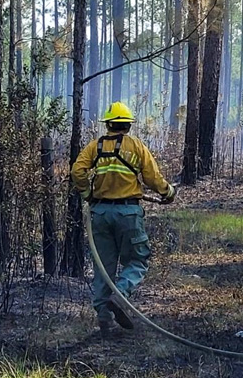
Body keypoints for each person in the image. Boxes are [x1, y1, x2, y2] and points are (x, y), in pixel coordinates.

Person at [71, 101, 177, 333]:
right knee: (138, 259)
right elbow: (153, 177)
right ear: (128, 125)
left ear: (108, 124)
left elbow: (77, 171)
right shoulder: (136, 146)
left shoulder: (94, 147)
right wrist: (167, 192)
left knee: (103, 267)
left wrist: (88, 193)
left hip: (99, 213)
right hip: (128, 213)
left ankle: (104, 319)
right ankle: (120, 295)